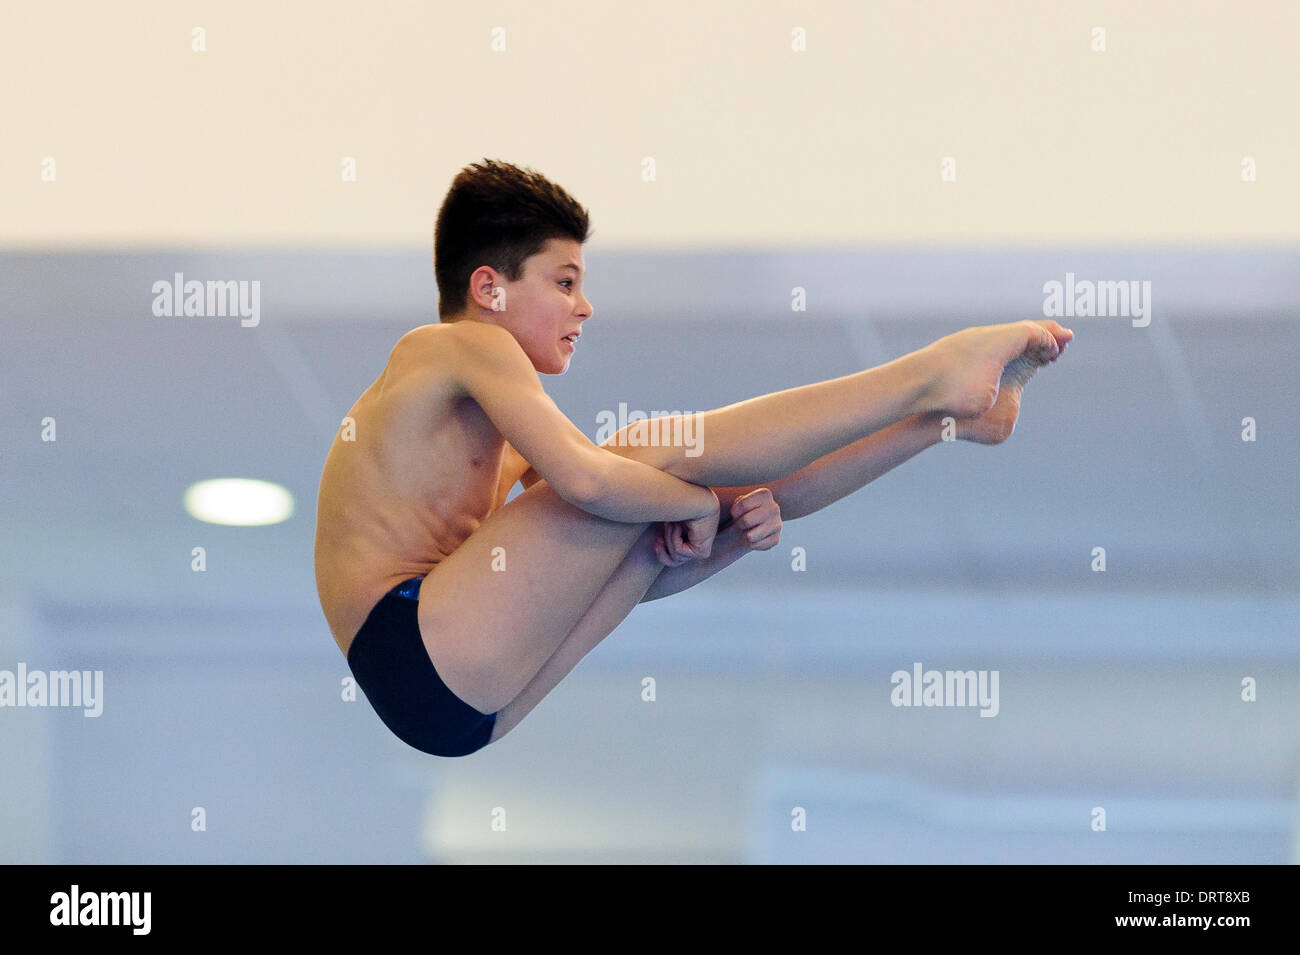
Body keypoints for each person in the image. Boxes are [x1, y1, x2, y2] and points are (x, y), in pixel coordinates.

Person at [313, 158, 1073, 757]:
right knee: (647, 458)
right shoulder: (451, 346)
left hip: (457, 702)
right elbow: (587, 479)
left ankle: (941, 420)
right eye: (564, 283)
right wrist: (695, 503)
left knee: (666, 500)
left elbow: (620, 563)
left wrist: (722, 533)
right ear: (489, 288)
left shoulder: (497, 432)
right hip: (411, 643)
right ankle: (927, 373)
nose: (584, 307)